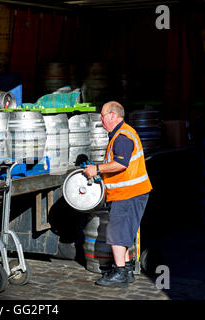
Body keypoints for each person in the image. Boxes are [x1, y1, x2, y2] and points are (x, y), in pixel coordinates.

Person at [83, 101, 152, 288]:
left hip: (128, 193)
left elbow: (121, 164)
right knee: (123, 232)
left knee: (117, 233)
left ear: (113, 115)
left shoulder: (122, 136)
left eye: (103, 115)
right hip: (129, 193)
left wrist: (96, 169)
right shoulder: (120, 134)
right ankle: (126, 269)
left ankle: (120, 272)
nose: (101, 118)